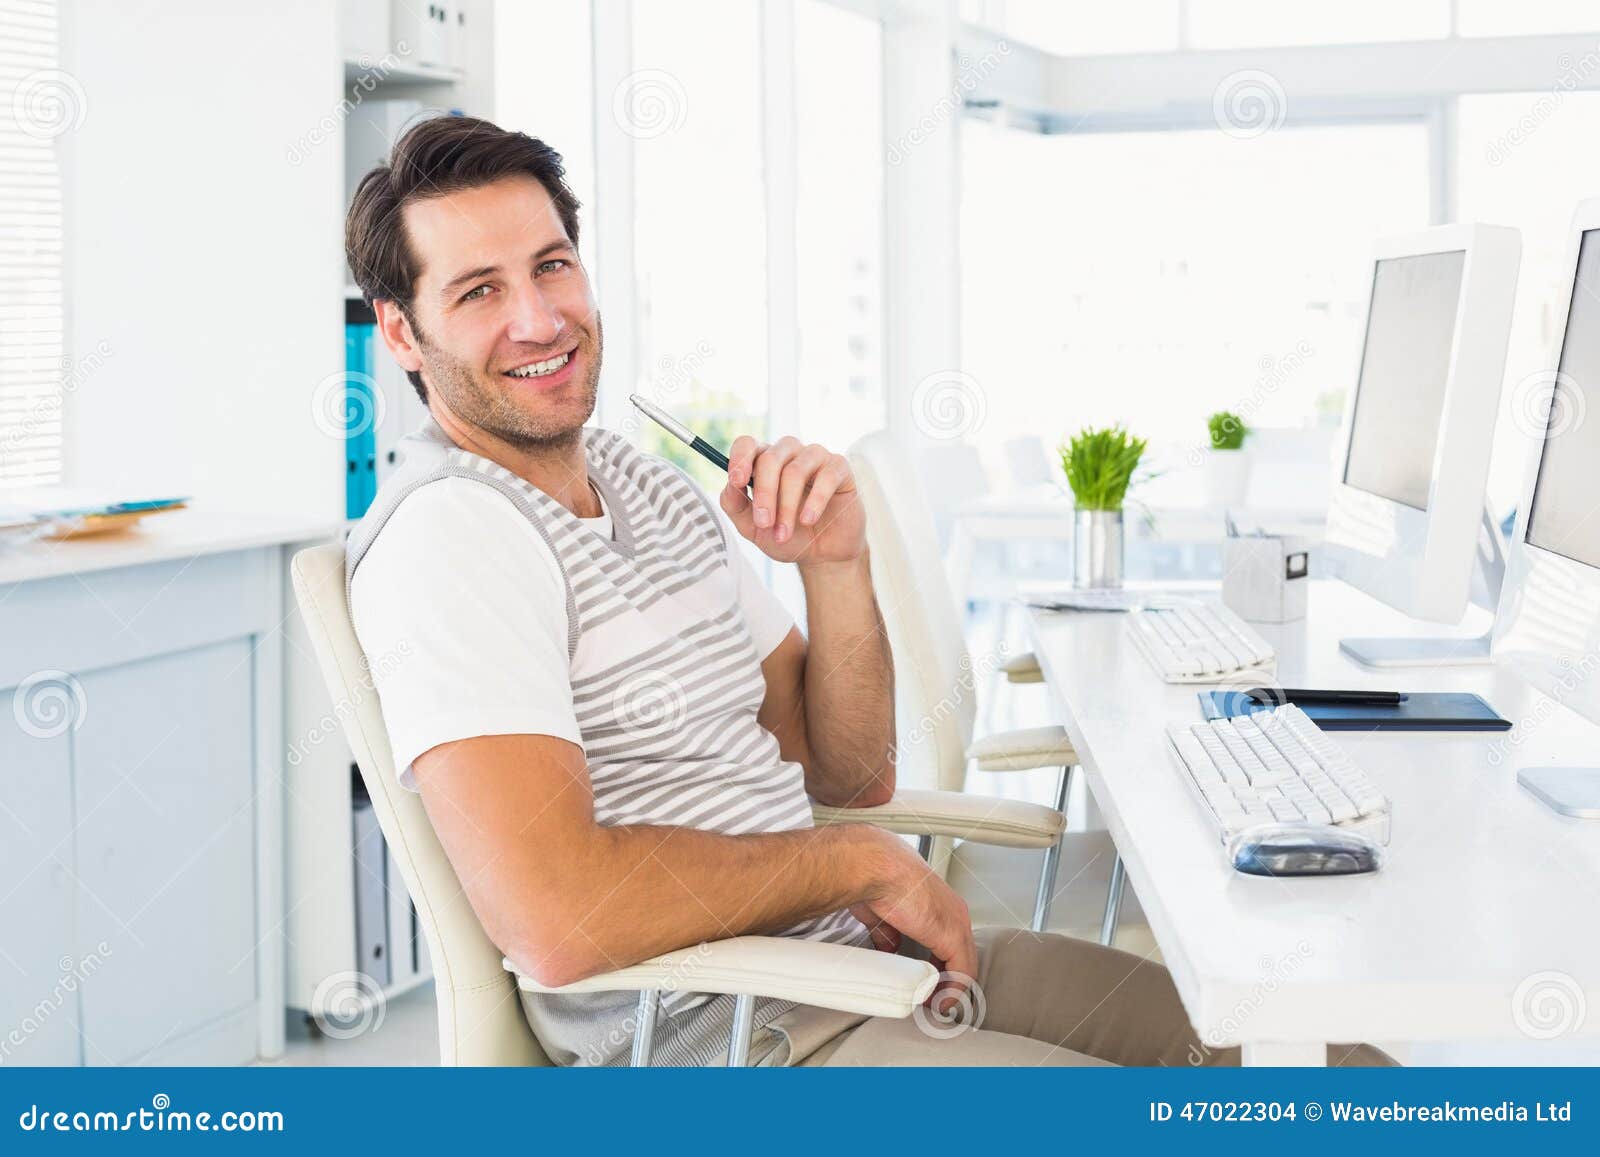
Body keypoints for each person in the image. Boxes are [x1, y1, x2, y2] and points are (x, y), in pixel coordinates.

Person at [344, 114, 1385, 1068]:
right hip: (740, 1038)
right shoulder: (452, 533)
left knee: (1341, 1071)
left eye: (552, 266)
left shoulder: (640, 479)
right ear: (400, 333)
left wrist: (833, 565)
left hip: (870, 967)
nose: (538, 318)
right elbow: (555, 915)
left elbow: (848, 765)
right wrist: (853, 863)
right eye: (478, 290)